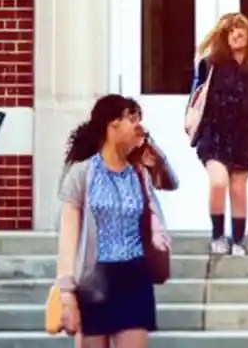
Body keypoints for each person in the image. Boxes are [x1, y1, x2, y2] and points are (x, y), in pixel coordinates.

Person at [54, 95, 168, 347]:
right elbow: (68, 238)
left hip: (134, 276)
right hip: (95, 279)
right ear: (112, 124)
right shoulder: (82, 173)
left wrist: (150, 144)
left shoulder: (139, 174)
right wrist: (66, 293)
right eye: (131, 120)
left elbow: (171, 181)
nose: (137, 126)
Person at [187, 13, 248, 256]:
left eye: (240, 30)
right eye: (231, 31)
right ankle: (217, 236)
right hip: (214, 133)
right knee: (218, 182)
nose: (236, 35)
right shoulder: (211, 62)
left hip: (245, 136)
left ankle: (237, 240)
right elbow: (196, 94)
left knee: (238, 187)